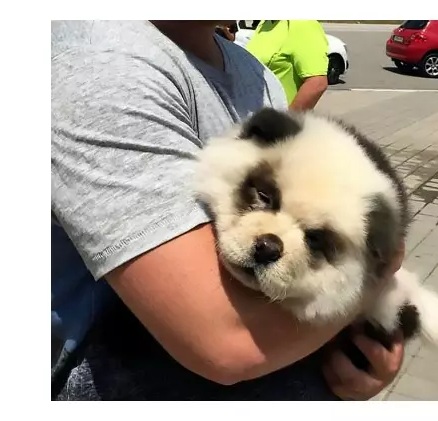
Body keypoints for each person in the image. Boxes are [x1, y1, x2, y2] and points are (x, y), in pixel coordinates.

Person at [51, 20, 405, 401]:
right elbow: (226, 344)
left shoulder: (255, 74)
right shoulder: (103, 63)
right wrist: (375, 279)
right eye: (264, 200)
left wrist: (359, 355)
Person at [245, 20, 329, 111]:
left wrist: (286, 121)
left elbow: (317, 83)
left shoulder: (304, 24)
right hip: (254, 116)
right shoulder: (265, 23)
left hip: (278, 120)